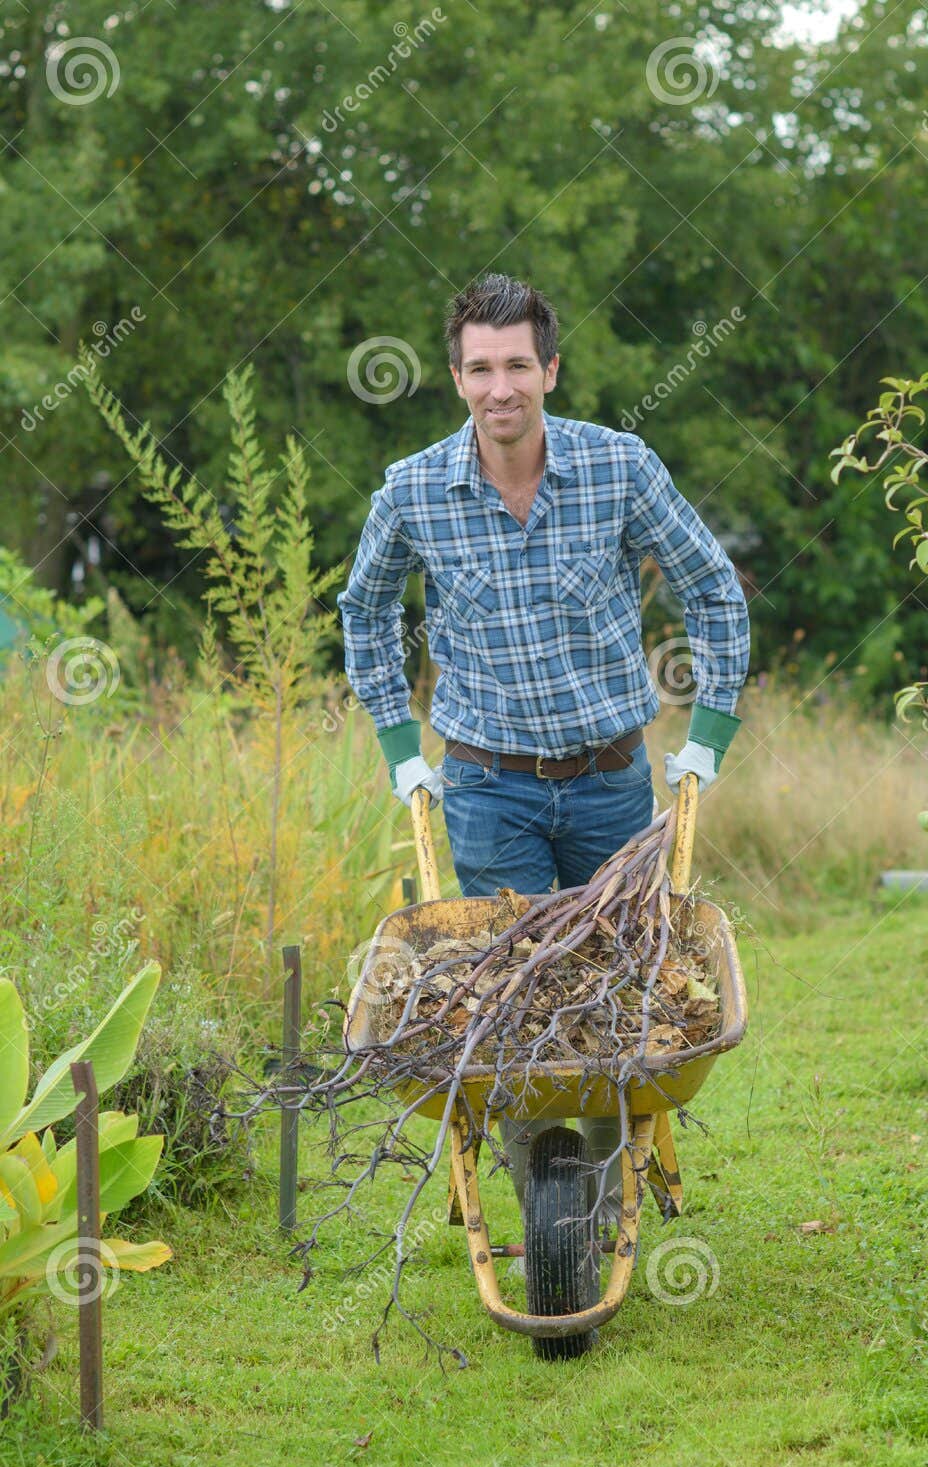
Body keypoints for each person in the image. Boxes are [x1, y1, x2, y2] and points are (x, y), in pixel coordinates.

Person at [338, 271, 749, 1235]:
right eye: (480, 369)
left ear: (550, 369)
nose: (500, 387)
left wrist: (709, 737)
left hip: (611, 783)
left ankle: (594, 1189)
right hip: (487, 789)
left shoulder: (619, 469)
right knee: (521, 1007)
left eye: (517, 364)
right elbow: (362, 613)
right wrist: (403, 746)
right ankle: (558, 1208)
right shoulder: (413, 493)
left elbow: (714, 590)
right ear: (456, 379)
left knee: (613, 995)